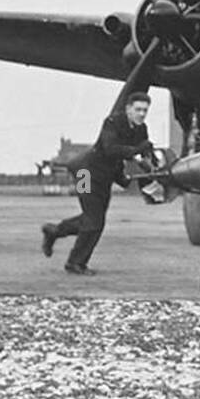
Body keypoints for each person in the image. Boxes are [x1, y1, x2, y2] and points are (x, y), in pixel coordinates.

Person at [41, 92, 155, 274]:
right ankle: (75, 263)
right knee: (94, 221)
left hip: (104, 178)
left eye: (145, 110)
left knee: (91, 219)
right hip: (85, 173)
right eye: (138, 109)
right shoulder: (112, 123)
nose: (141, 114)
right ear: (128, 109)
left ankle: (54, 231)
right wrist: (137, 150)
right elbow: (110, 150)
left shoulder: (141, 130)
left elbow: (138, 157)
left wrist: (146, 168)